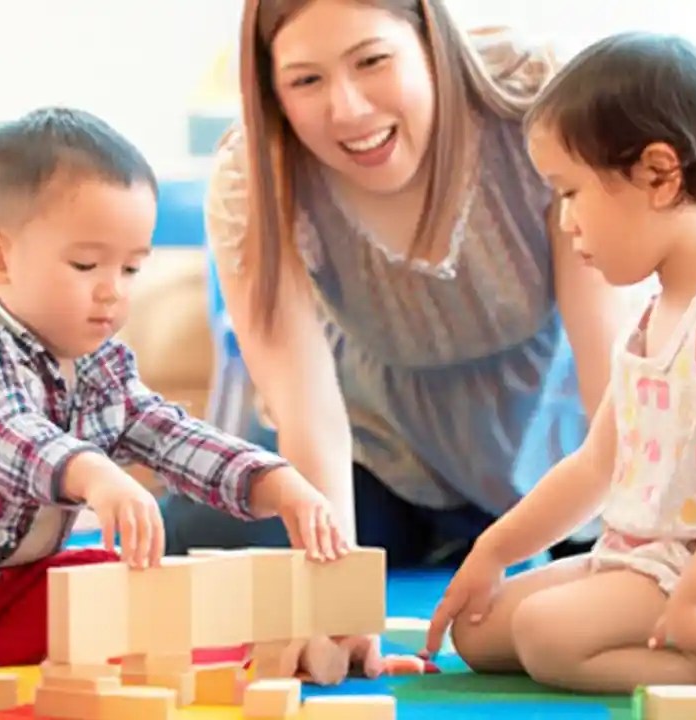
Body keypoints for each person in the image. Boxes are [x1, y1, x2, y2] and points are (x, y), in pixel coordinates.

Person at [0, 106, 351, 669]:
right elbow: (7, 435)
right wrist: (97, 475)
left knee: (115, 583)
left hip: (13, 582)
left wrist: (280, 483)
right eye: (87, 265)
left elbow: (173, 437)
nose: (112, 291)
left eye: (132, 269)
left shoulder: (103, 366)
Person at [425, 32, 696, 694]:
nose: (564, 222)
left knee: (547, 636)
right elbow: (596, 466)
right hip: (651, 564)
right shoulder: (654, 316)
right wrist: (494, 551)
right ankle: (659, 634)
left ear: (659, 173)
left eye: (570, 192)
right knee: (478, 629)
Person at [162, 0, 639, 566]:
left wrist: (636, 532)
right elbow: (308, 411)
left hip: (556, 458)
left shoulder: (537, 96)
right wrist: (333, 599)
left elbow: (608, 359)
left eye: (372, 60)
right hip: (380, 455)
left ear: (429, 39)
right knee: (186, 530)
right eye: (306, 80)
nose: (348, 109)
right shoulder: (256, 178)